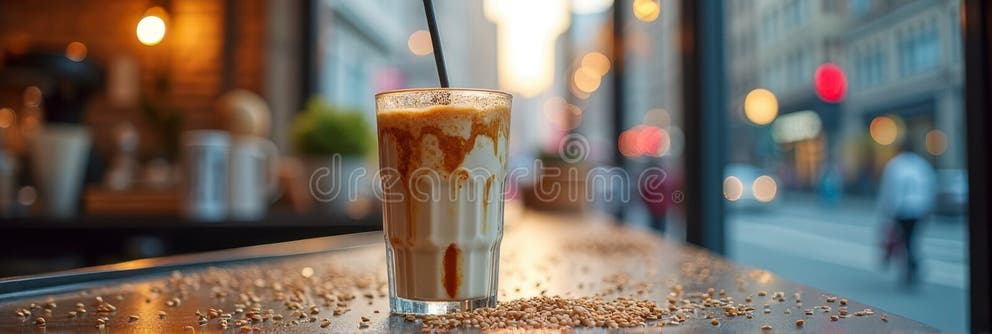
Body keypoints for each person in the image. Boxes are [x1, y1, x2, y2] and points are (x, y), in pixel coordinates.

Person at [878, 140, 936, 285]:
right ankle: (911, 265)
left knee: (905, 238)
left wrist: (887, 209)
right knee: (911, 238)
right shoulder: (922, 164)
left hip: (901, 208)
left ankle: (909, 265)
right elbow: (930, 186)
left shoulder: (894, 165)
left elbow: (888, 189)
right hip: (918, 208)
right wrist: (928, 207)